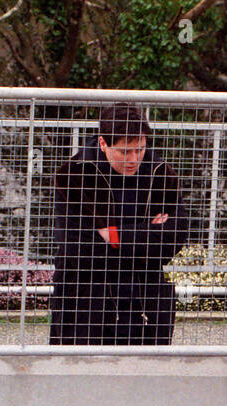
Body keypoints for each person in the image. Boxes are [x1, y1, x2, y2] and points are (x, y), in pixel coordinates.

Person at [49, 104, 188, 345]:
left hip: (143, 301)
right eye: (125, 152)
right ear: (103, 143)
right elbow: (76, 245)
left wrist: (113, 235)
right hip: (85, 300)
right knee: (78, 375)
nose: (134, 159)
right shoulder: (73, 174)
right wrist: (146, 236)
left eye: (140, 149)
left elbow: (175, 236)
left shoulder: (160, 173)